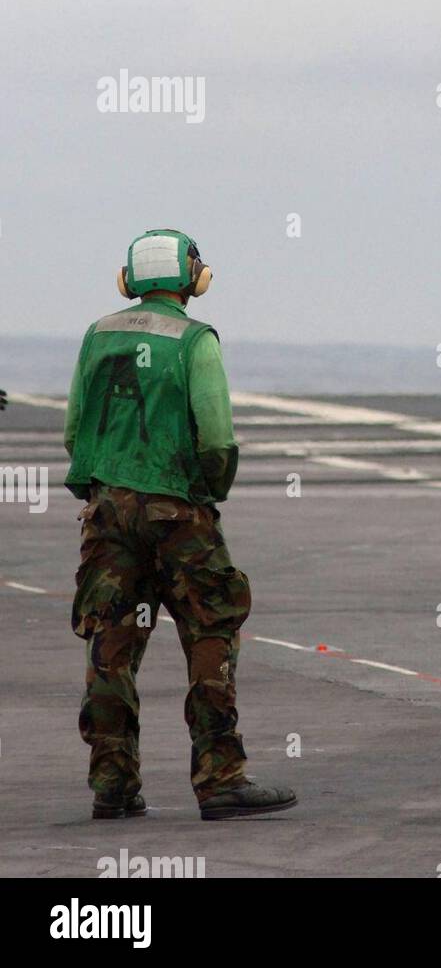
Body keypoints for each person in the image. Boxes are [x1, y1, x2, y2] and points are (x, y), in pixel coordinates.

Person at [64, 228, 296, 821]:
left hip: (109, 510)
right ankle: (220, 778)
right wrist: (206, 493)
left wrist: (101, 489)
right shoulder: (196, 340)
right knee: (211, 632)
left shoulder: (98, 334)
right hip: (178, 512)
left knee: (110, 645)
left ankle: (112, 784)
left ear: (130, 279)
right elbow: (216, 438)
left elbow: (75, 432)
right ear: (191, 277)